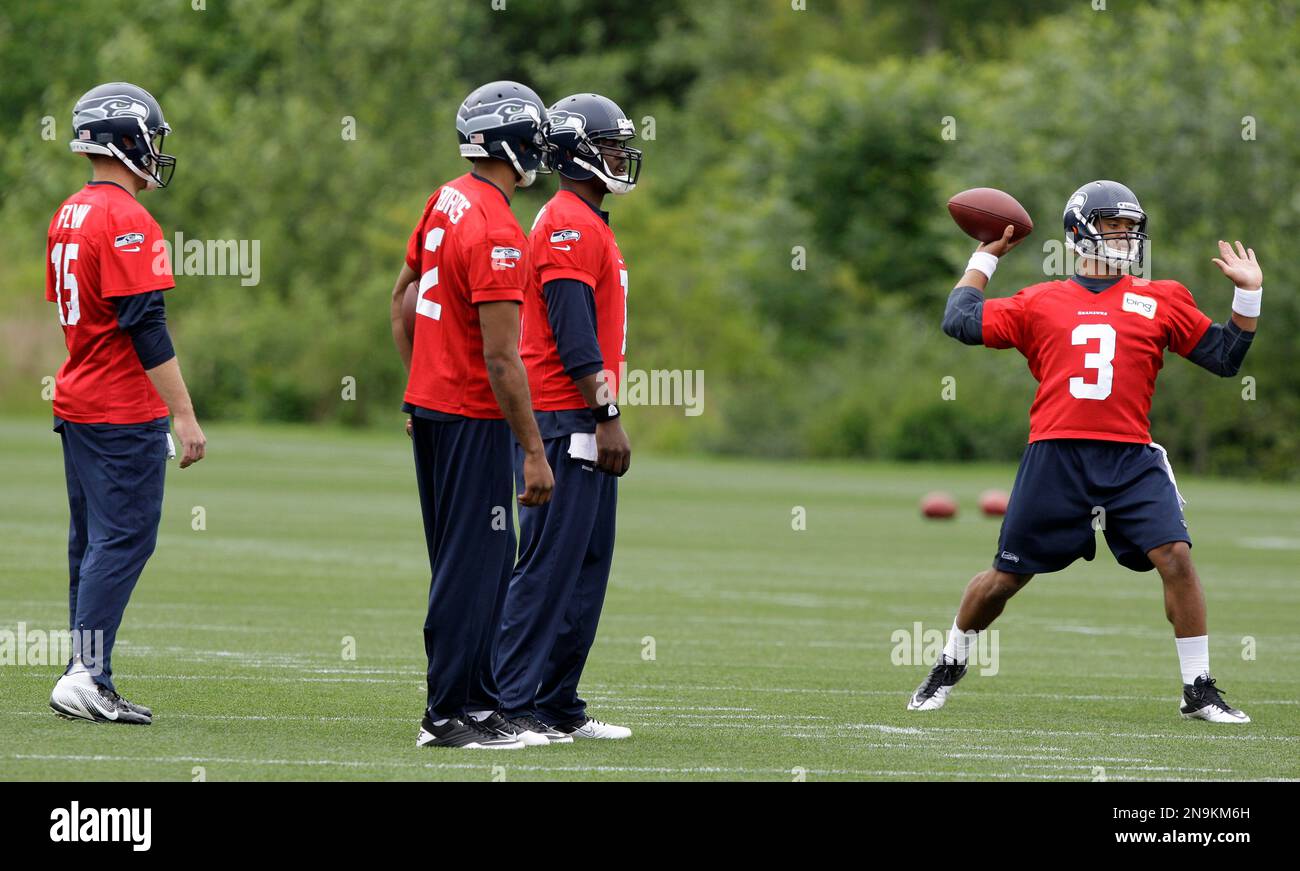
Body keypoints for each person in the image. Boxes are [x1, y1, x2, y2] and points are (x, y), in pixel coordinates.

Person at [910, 180, 1261, 724]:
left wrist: (1248, 296)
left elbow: (1223, 358)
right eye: (1112, 227)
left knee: (1177, 558)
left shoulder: (1161, 297)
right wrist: (983, 255)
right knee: (1005, 579)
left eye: (1130, 230)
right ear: (1078, 233)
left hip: (1131, 458)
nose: (1124, 239)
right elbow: (959, 321)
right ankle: (949, 662)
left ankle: (1198, 688)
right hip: (1056, 456)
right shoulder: (1040, 301)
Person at [390, 81, 554, 749]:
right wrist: (536, 450)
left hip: (435, 408)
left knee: (482, 558)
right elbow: (503, 360)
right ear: (512, 144)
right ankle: (445, 712)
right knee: (471, 563)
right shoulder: (497, 228)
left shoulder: (446, 199)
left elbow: (400, 297)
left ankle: (481, 705)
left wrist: (415, 382)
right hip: (468, 414)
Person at [47, 82, 207, 725]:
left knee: (90, 542)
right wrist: (186, 413)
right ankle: (85, 675)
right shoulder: (126, 217)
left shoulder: (70, 211)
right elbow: (145, 323)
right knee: (123, 539)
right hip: (118, 407)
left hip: (79, 398)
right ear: (129, 139)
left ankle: (87, 671)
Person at [491, 93, 641, 742]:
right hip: (565, 414)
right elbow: (573, 330)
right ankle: (511, 703)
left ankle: (555, 702)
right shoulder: (568, 222)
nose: (619, 157)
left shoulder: (587, 219)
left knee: (584, 566)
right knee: (549, 565)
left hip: (579, 415)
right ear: (576, 150)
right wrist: (605, 412)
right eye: (609, 145)